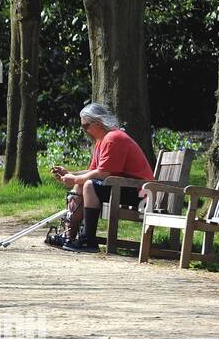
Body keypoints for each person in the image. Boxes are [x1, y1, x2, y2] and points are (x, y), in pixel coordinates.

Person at [49, 102, 155, 253]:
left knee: (88, 185)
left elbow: (103, 174)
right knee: (81, 184)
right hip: (126, 187)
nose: (84, 130)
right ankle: (69, 236)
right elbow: (93, 171)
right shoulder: (101, 141)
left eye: (86, 126)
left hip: (142, 194)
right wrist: (69, 174)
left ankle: (89, 240)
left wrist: (75, 179)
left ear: (98, 123)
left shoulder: (114, 138)